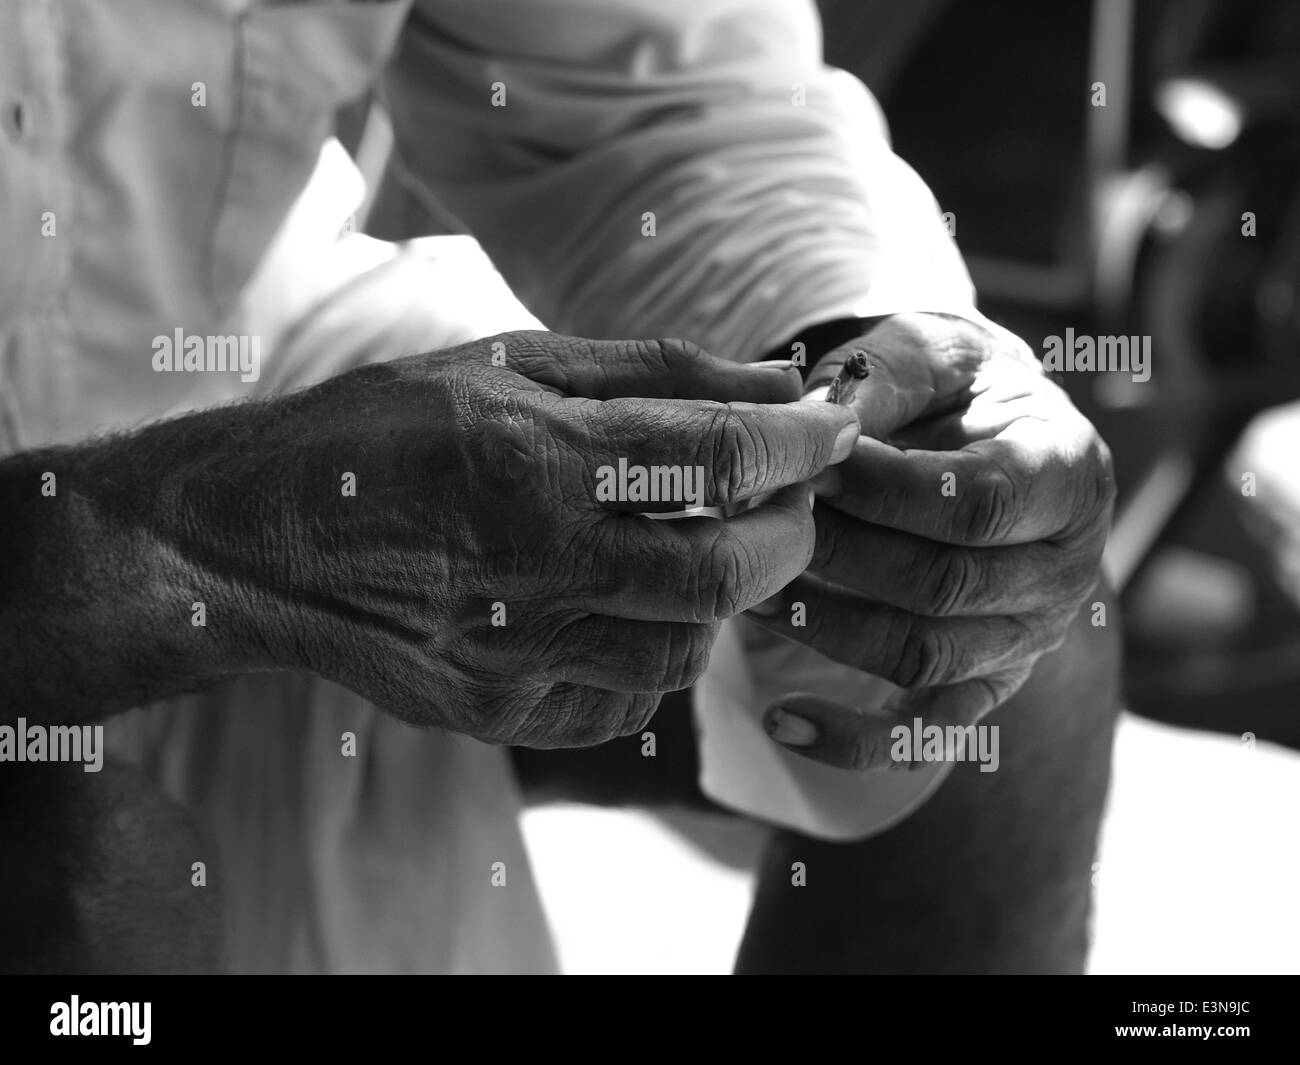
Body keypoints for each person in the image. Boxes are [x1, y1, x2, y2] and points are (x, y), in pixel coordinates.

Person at [0, 0, 1116, 973]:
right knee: (86, 900)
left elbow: (654, 99)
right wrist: (133, 551)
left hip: (224, 366)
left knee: (978, 630)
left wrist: (842, 349)